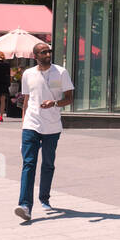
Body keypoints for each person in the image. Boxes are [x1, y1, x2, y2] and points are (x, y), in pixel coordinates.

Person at [15, 41, 75, 223]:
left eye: (49, 51)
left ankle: (44, 198)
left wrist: (54, 103)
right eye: (43, 52)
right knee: (29, 163)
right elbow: (26, 100)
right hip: (31, 125)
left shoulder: (61, 72)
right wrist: (23, 123)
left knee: (48, 164)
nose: (47, 55)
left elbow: (69, 98)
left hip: (52, 126)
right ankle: (25, 206)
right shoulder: (28, 74)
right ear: (35, 56)